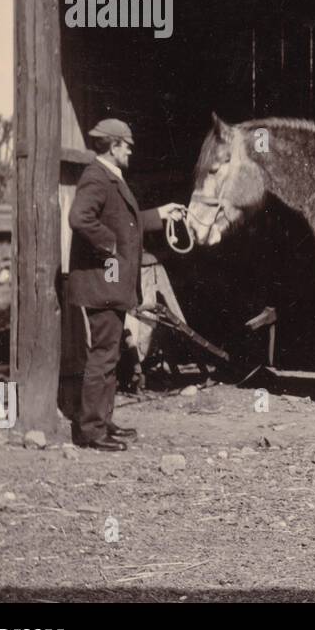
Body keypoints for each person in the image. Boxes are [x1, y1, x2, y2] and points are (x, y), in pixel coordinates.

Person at [67, 119, 186, 451]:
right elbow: (79, 218)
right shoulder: (96, 176)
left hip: (109, 283)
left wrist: (162, 214)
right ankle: (91, 431)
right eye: (127, 145)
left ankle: (103, 421)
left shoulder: (109, 177)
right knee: (103, 356)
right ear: (114, 146)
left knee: (110, 353)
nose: (131, 151)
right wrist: (112, 246)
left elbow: (127, 223)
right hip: (102, 283)